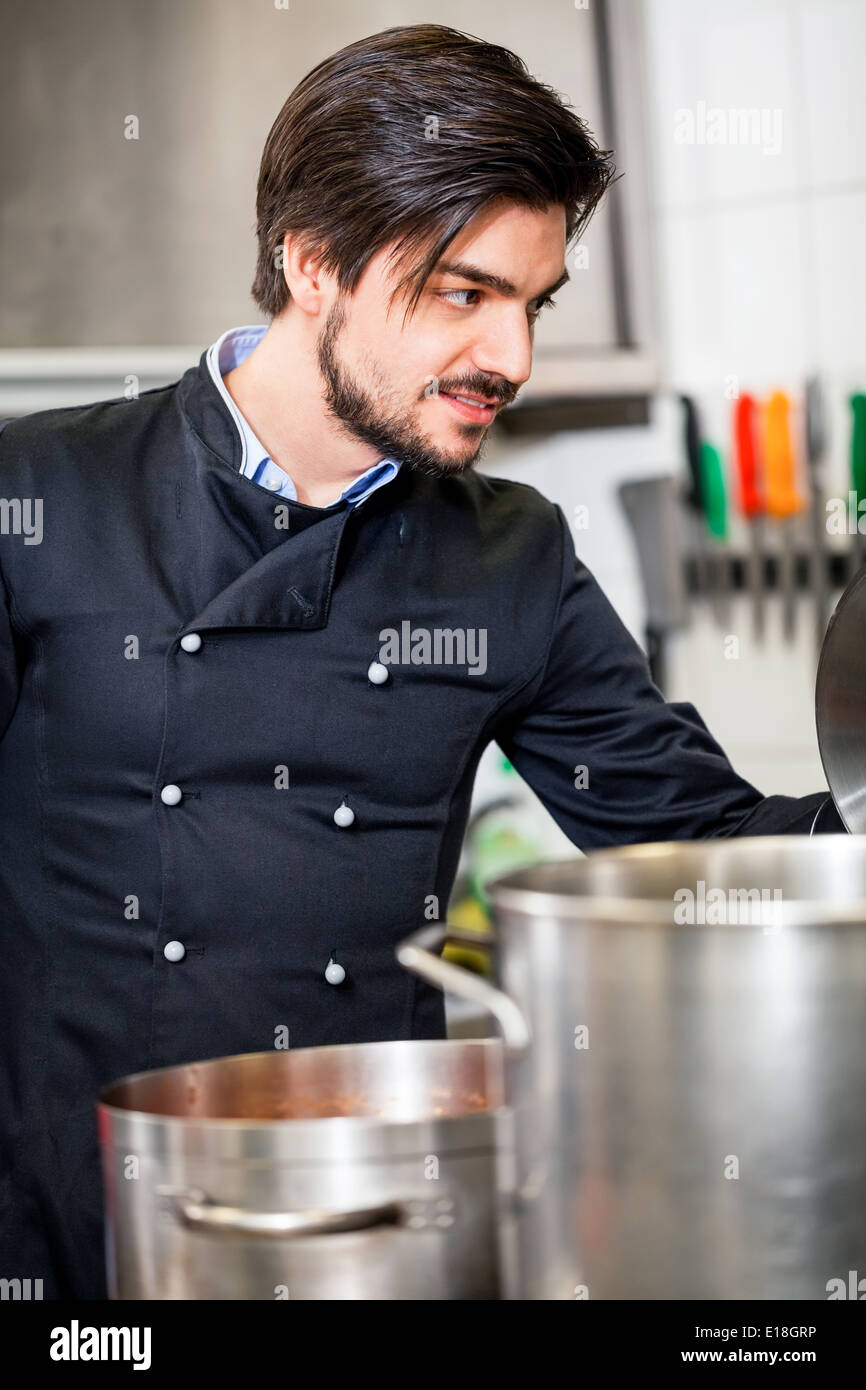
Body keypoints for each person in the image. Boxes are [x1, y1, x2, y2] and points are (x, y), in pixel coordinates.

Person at [0, 22, 845, 1301]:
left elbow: (697, 855)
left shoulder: (507, 554)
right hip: (64, 1236)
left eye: (530, 302)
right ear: (310, 262)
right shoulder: (43, 497)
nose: (510, 357)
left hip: (371, 1229)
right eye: (464, 291)